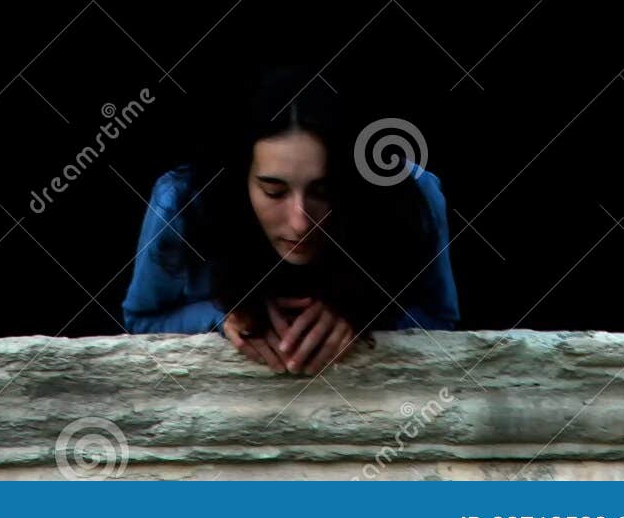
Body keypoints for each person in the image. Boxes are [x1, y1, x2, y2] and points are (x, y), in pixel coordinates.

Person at [121, 67, 459, 374]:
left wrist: (370, 316)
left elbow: (442, 321)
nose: (300, 223)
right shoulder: (181, 201)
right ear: (241, 178)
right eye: (273, 192)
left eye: (322, 190)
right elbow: (141, 319)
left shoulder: (411, 195)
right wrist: (218, 317)